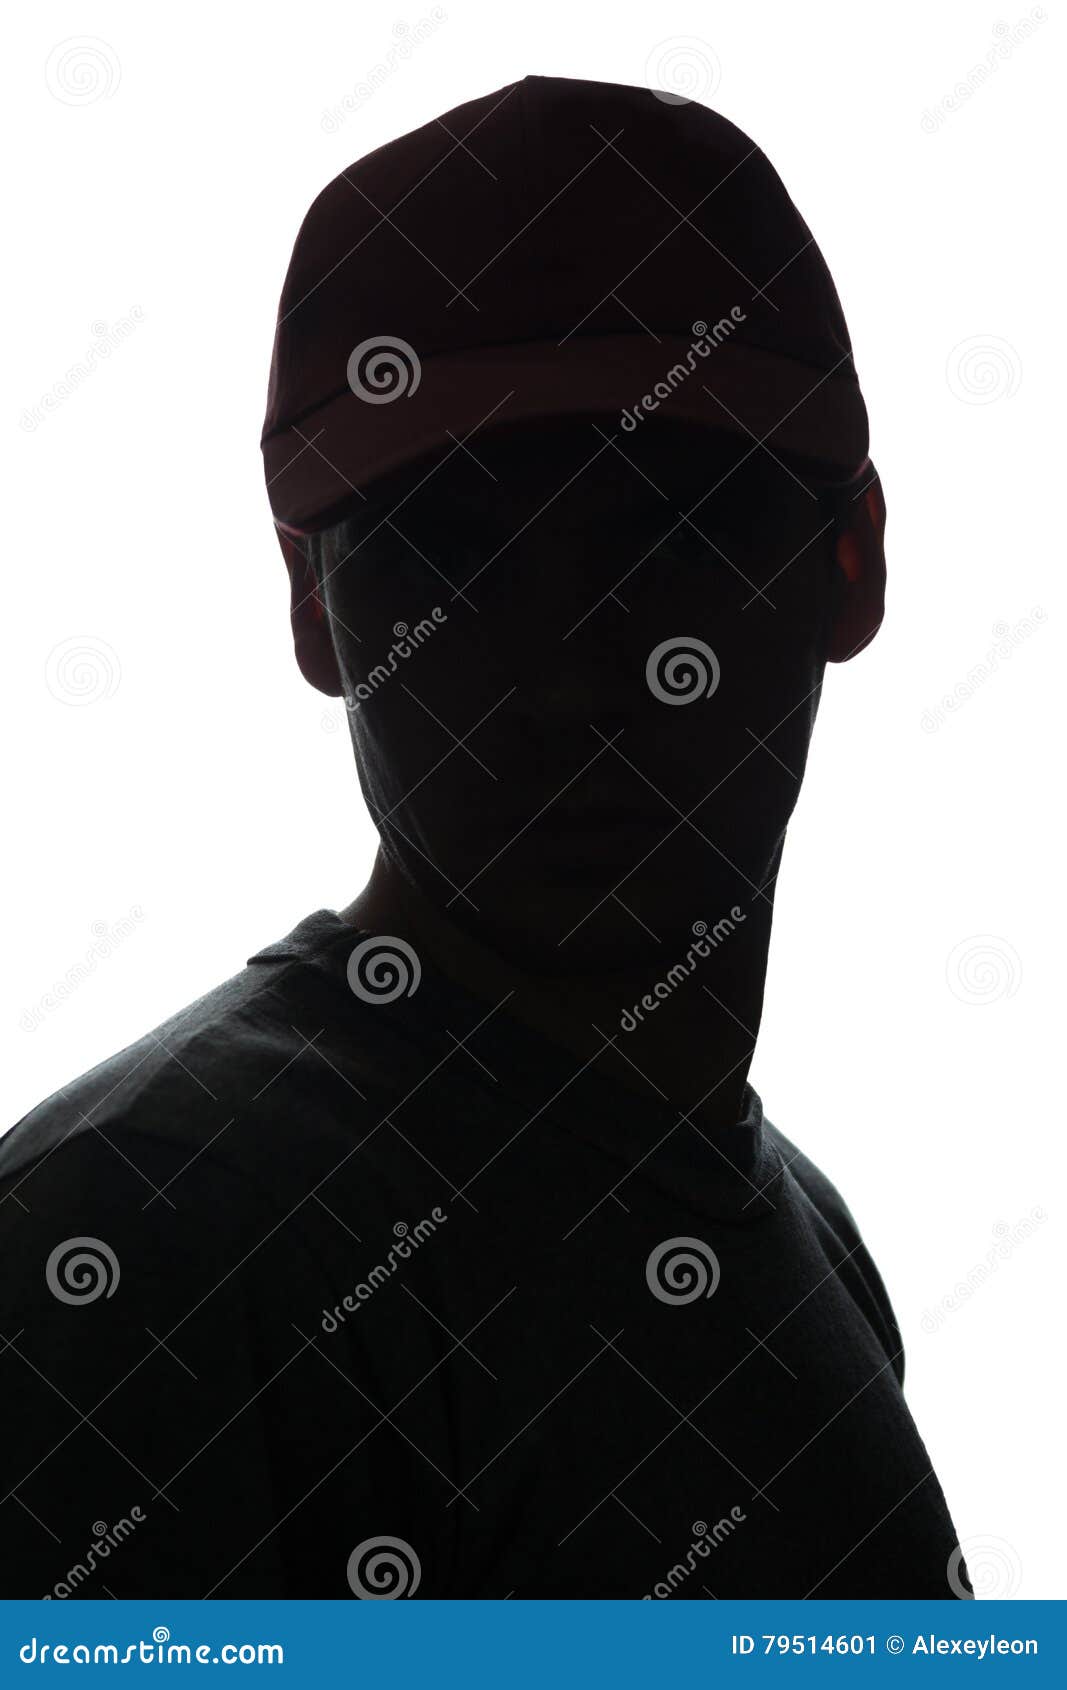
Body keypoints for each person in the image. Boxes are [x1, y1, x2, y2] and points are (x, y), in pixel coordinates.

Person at [0, 75, 968, 1599]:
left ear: (850, 564)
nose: (570, 667)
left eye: (671, 533)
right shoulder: (142, 1243)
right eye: (450, 555)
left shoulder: (797, 1237)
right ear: (315, 607)